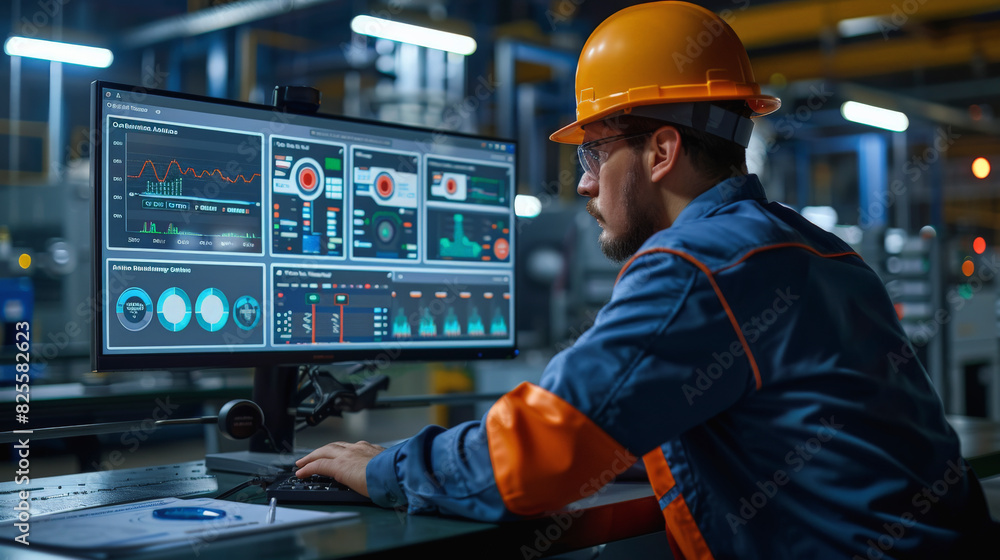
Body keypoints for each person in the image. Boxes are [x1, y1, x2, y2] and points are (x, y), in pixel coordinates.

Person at [296, 2, 998, 557]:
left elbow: (533, 454)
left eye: (596, 153)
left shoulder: (697, 265)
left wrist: (388, 468)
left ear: (662, 149)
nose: (587, 184)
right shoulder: (818, 250)